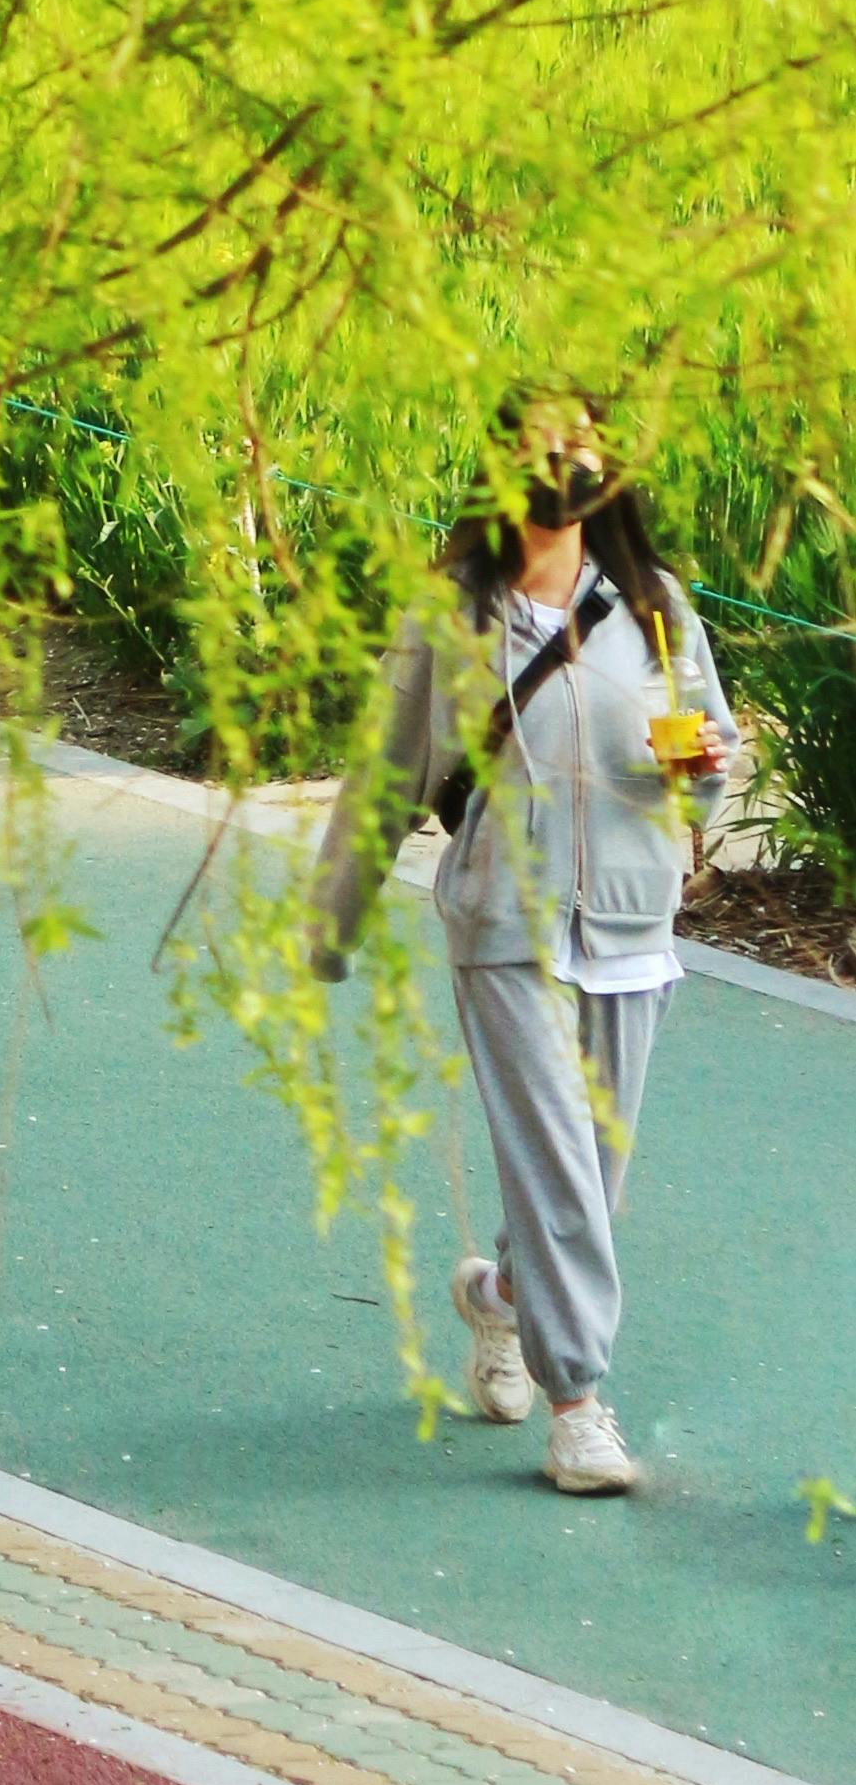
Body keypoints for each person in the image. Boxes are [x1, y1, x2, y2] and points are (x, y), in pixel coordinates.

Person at [310, 393, 739, 1497]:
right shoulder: (453, 614)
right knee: (556, 1169)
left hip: (631, 922)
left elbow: (707, 758)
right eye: (535, 443)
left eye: (578, 440)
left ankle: (499, 1299)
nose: (559, 459)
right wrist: (331, 920)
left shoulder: (655, 607)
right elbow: (387, 772)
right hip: (505, 919)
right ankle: (578, 1406)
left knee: (592, 1179)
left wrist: (702, 767)